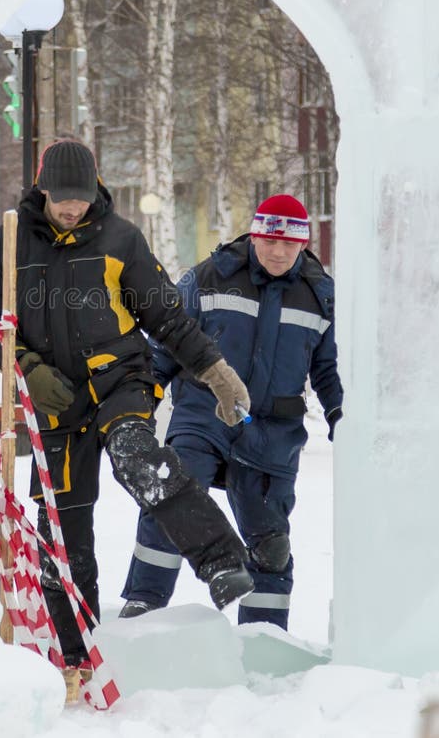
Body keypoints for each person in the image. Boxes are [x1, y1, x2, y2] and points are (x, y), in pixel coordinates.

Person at [0, 138, 255, 670]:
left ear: (94, 190)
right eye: (61, 198)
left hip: (119, 381)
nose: (72, 207)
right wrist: (26, 369)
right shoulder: (6, 244)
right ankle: (75, 654)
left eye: (80, 197)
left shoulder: (121, 239)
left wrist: (216, 373)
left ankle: (220, 560)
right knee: (62, 527)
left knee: (137, 457)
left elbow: (167, 318)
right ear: (43, 190)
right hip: (53, 400)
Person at [120, 194, 343, 630]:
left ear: (304, 244)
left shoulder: (320, 296)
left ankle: (263, 640)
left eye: (289, 244)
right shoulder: (210, 277)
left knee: (271, 545)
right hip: (205, 412)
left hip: (273, 431)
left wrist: (340, 417)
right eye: (269, 241)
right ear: (255, 235)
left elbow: (328, 369)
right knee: (174, 496)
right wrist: (141, 397)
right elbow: (167, 341)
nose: (278, 252)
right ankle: (142, 608)